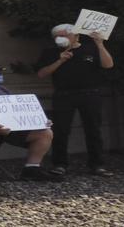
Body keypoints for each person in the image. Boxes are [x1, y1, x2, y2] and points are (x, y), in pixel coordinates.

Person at [35, 23, 115, 176]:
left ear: (76, 35)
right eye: (57, 36)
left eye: (64, 35)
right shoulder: (51, 52)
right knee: (60, 130)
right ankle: (60, 164)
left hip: (90, 93)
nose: (60, 39)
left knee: (93, 130)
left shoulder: (90, 48)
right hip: (63, 95)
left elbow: (108, 64)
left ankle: (97, 164)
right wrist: (60, 60)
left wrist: (99, 44)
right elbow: (41, 74)